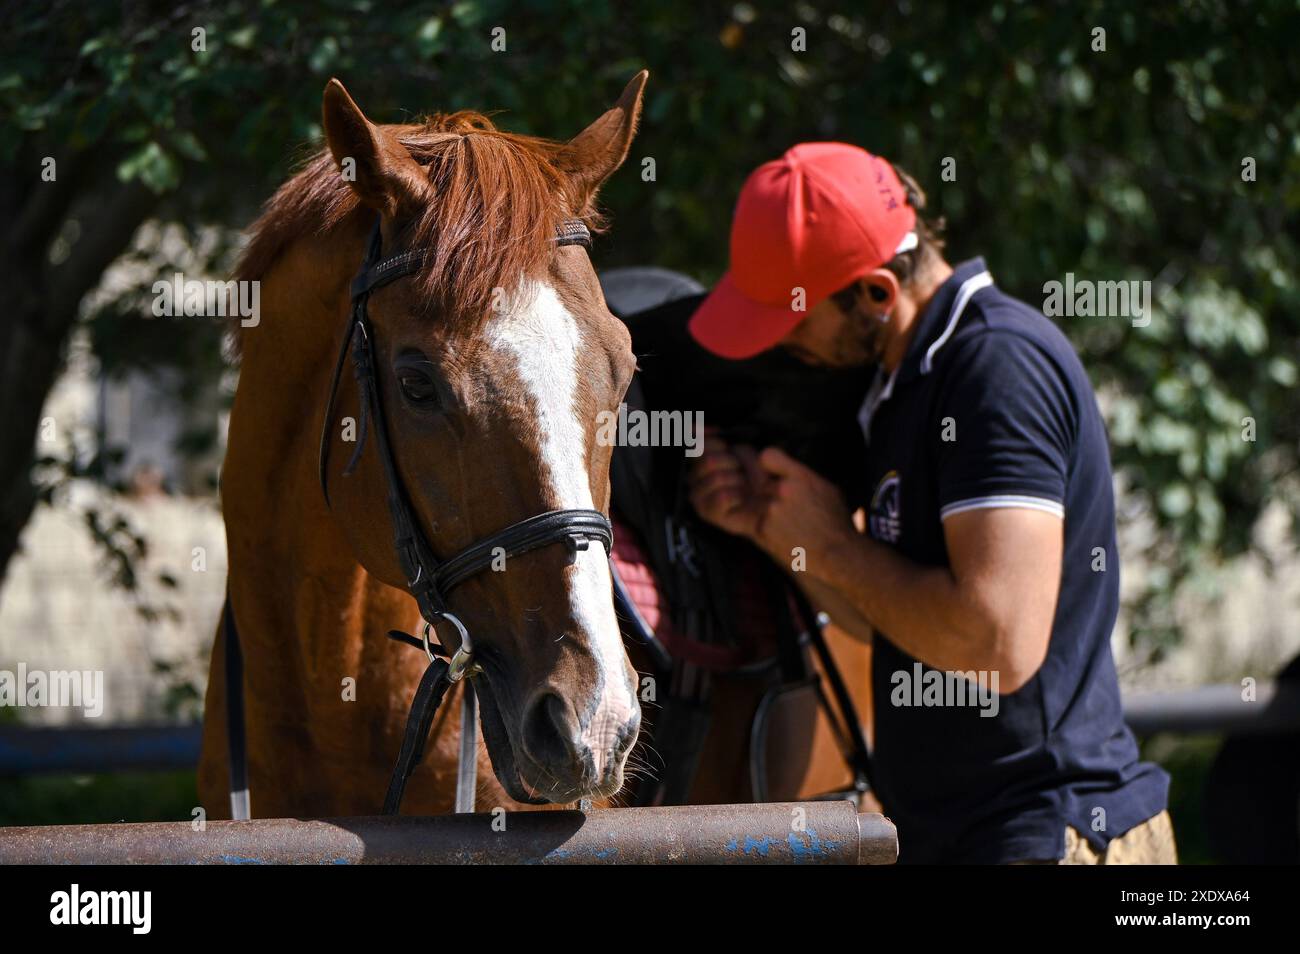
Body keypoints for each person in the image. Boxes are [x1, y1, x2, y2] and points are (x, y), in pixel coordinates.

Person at [685, 142, 1174, 864]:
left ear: (877, 294)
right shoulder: (904, 385)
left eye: (792, 317)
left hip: (1047, 829)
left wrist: (833, 544)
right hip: (963, 832)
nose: (781, 341)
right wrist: (772, 530)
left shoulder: (995, 369)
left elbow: (996, 644)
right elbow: (896, 617)